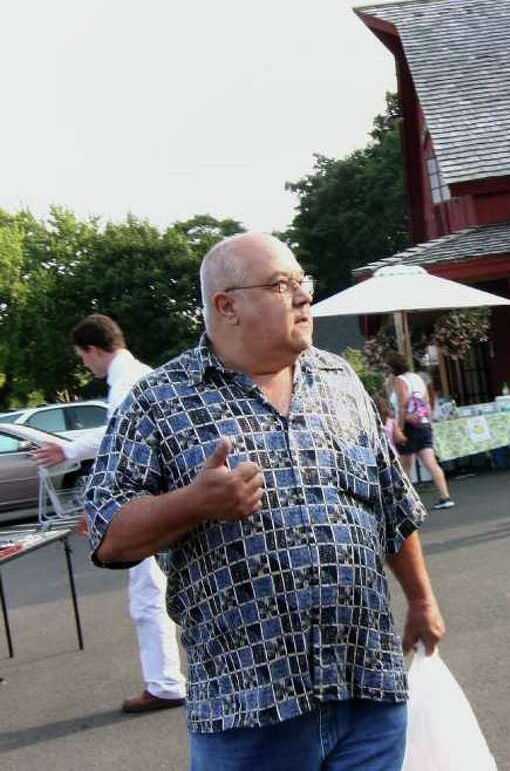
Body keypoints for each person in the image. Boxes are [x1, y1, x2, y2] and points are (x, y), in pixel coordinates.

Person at [83, 233, 444, 770]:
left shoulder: (339, 381)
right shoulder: (159, 401)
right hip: (251, 711)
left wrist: (422, 600)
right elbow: (108, 535)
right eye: (280, 285)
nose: (303, 296)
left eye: (302, 281)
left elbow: (392, 504)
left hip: (367, 687)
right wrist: (193, 503)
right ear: (226, 305)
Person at [31, 314, 188, 714]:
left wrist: (70, 454)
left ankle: (165, 683)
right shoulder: (140, 375)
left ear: (93, 350)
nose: (86, 366)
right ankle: (166, 681)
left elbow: (118, 438)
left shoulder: (126, 383)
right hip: (160, 496)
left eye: (83, 358)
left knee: (148, 596)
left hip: (146, 503)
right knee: (158, 591)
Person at [387, 355, 454, 509]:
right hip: (423, 424)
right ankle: (445, 496)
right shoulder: (418, 378)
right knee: (431, 464)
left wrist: (400, 429)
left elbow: (402, 405)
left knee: (405, 467)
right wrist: (429, 423)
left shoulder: (400, 380)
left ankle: (408, 503)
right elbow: (426, 403)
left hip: (408, 427)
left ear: (393, 368)